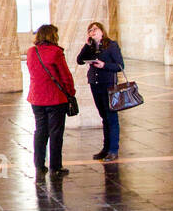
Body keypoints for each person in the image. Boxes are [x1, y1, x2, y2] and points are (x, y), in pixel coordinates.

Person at [26, 23, 75, 180]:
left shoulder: (31, 52)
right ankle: (55, 167)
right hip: (55, 98)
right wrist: (71, 93)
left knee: (40, 131)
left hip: (37, 98)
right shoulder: (56, 52)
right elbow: (65, 76)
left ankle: (39, 165)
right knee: (55, 133)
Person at [77, 21, 125, 161]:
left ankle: (113, 149)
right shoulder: (91, 47)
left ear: (102, 31)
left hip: (108, 84)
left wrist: (104, 65)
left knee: (111, 117)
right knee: (104, 117)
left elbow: (120, 66)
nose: (93, 32)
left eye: (95, 29)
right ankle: (105, 148)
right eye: (90, 30)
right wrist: (86, 44)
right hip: (95, 83)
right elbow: (79, 60)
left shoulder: (111, 45)